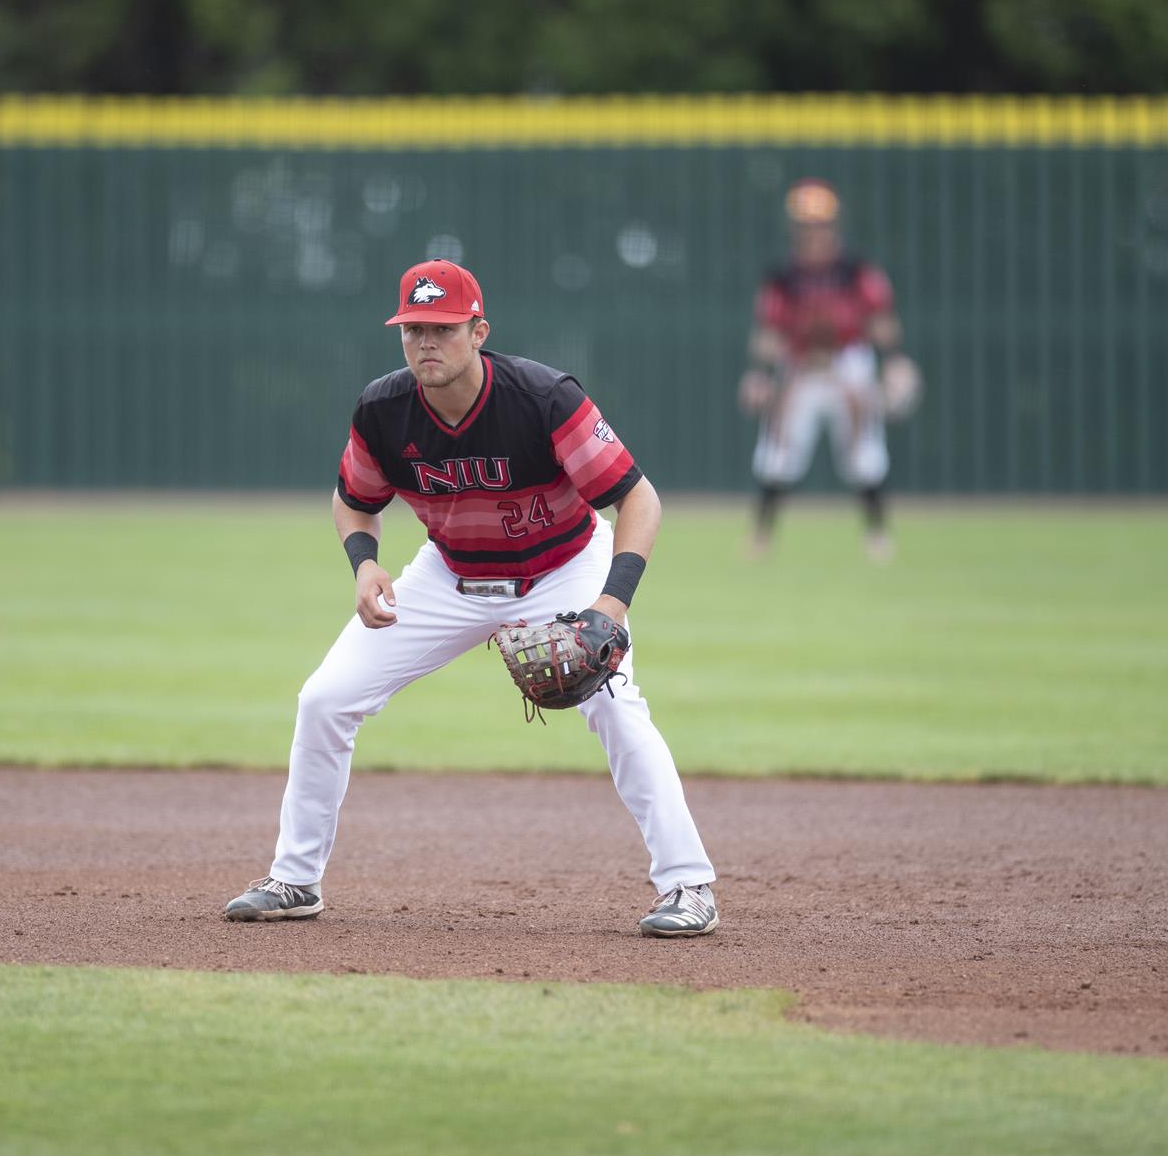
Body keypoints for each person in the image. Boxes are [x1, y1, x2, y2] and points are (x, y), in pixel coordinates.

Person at [224, 258, 720, 938]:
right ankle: (294, 878)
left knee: (615, 709)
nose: (425, 342)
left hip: (564, 568)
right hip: (449, 573)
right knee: (324, 699)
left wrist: (610, 606)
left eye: (443, 328)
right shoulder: (382, 408)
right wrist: (365, 566)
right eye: (413, 328)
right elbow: (353, 501)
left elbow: (639, 498)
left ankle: (689, 885)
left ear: (479, 330)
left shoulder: (544, 399)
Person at [739, 179, 905, 560]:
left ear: (833, 226)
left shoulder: (854, 269)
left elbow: (879, 318)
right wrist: (759, 373)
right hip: (800, 366)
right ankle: (761, 536)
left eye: (820, 224)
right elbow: (769, 331)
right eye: (805, 224)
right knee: (778, 450)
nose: (813, 232)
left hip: (848, 362)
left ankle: (877, 535)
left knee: (864, 450)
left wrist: (895, 361)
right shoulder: (784, 276)